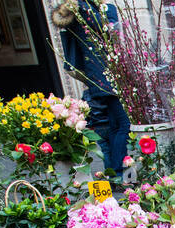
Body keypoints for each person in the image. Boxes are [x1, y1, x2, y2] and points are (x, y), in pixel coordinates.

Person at [53, 0, 130, 176]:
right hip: (104, 74)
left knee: (113, 124)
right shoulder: (88, 9)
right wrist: (108, 5)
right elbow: (111, 29)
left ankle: (113, 173)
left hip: (97, 74)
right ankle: (118, 172)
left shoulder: (81, 9)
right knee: (124, 124)